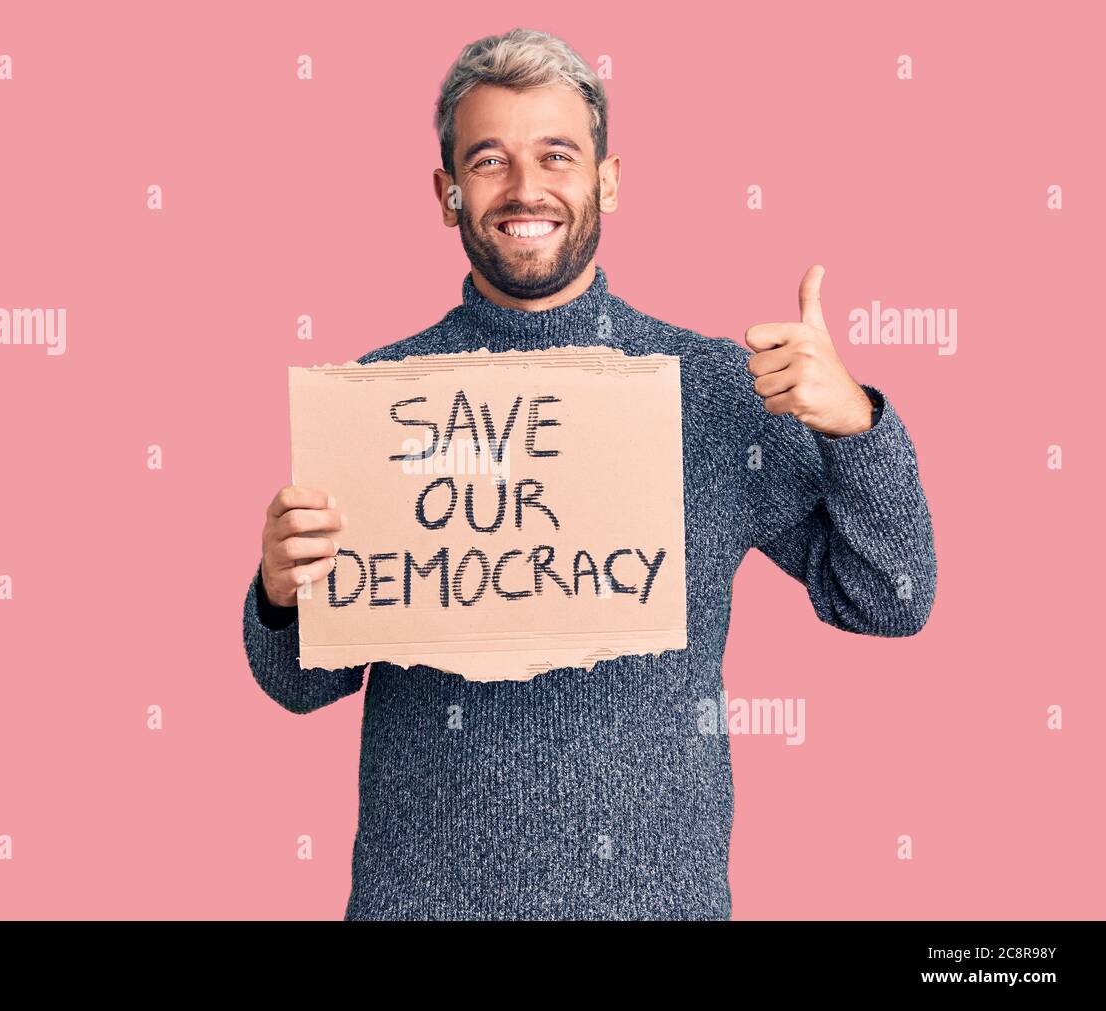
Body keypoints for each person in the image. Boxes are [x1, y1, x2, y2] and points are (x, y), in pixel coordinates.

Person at [243, 27, 936, 920]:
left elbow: (891, 596)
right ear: (447, 194)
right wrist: (277, 589)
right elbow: (301, 684)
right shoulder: (380, 405)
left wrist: (857, 425)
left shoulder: (716, 389)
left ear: (607, 180)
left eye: (557, 155)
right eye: (487, 160)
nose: (526, 189)